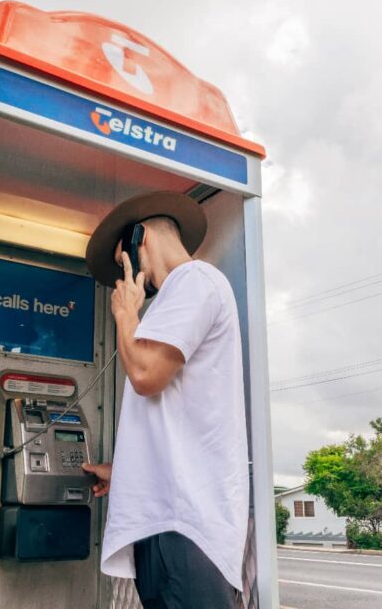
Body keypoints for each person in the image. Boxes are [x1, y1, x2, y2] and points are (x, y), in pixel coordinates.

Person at [81, 191, 248, 609]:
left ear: (142, 240)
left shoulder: (197, 280)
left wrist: (125, 315)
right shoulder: (174, 299)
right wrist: (124, 472)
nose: (126, 276)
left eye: (123, 261)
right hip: (163, 522)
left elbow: (145, 375)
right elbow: (172, 417)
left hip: (190, 526)